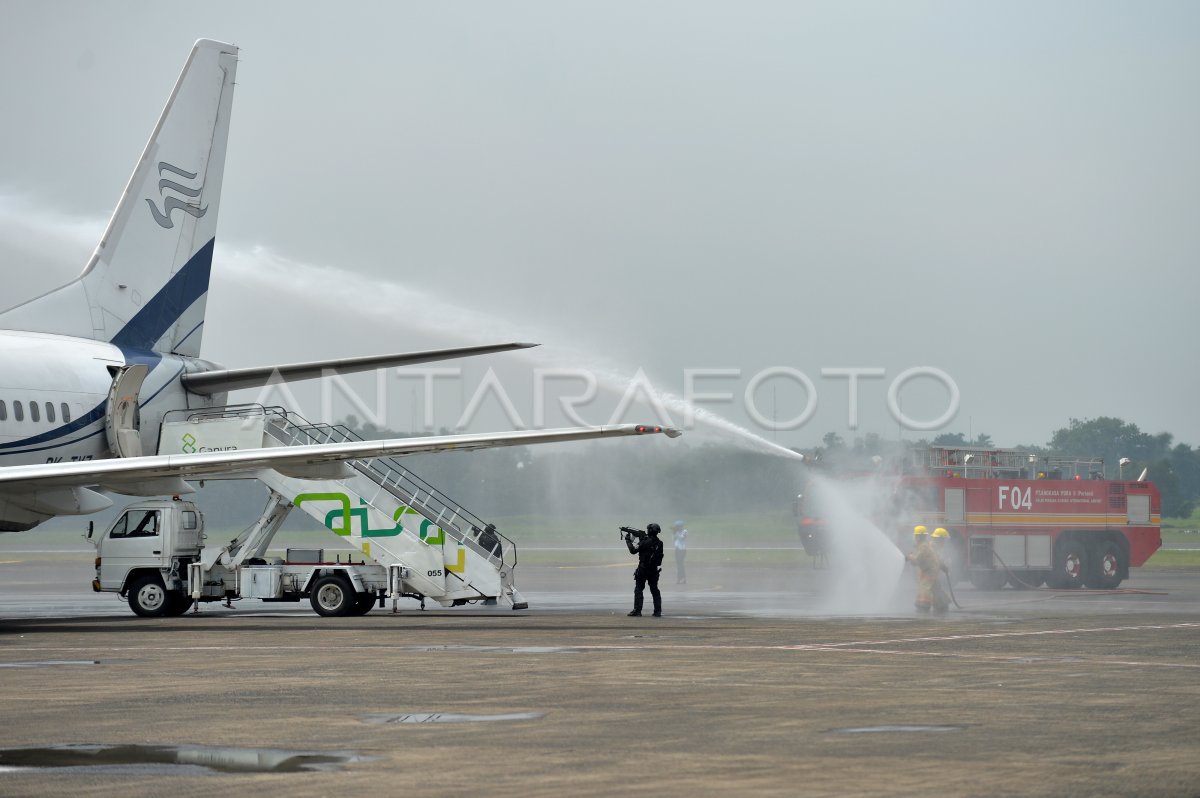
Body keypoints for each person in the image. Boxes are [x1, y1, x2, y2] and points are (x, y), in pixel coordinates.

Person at [626, 523, 664, 617]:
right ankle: (657, 611)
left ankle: (637, 610)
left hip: (643, 569)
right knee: (654, 590)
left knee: (639, 589)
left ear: (650, 530)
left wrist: (628, 540)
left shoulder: (644, 542)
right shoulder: (660, 543)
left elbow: (633, 550)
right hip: (654, 570)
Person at [906, 525, 945, 613]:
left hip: (930, 571)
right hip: (931, 570)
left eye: (916, 536)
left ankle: (923, 605)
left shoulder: (923, 546)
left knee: (924, 588)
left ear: (919, 537)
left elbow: (917, 559)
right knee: (936, 588)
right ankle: (942, 604)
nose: (915, 538)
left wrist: (909, 557)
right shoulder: (924, 545)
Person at [928, 528, 953, 613]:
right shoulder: (933, 547)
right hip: (930, 575)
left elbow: (938, 560)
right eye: (944, 539)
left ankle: (940, 605)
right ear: (940, 539)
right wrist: (944, 567)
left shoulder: (935, 546)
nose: (944, 542)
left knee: (937, 589)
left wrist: (944, 566)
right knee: (936, 589)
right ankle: (941, 605)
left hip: (932, 574)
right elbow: (936, 560)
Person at [672, 520, 688, 584]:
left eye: (677, 526)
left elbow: (682, 538)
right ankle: (680, 579)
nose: (676, 527)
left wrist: (676, 533)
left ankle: (682, 578)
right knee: (678, 565)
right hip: (677, 550)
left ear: (681, 526)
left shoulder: (685, 531)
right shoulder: (676, 532)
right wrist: (674, 533)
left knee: (680, 565)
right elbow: (674, 539)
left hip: (682, 550)